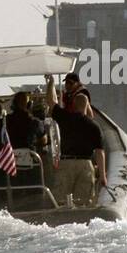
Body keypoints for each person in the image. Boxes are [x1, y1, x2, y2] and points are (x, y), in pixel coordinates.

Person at [47, 79, 106, 207]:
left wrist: (51, 83)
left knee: (60, 202)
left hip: (66, 162)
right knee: (83, 203)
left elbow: (51, 102)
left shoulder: (64, 117)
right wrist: (102, 176)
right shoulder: (94, 126)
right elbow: (100, 153)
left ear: (73, 104)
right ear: (87, 106)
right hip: (85, 164)